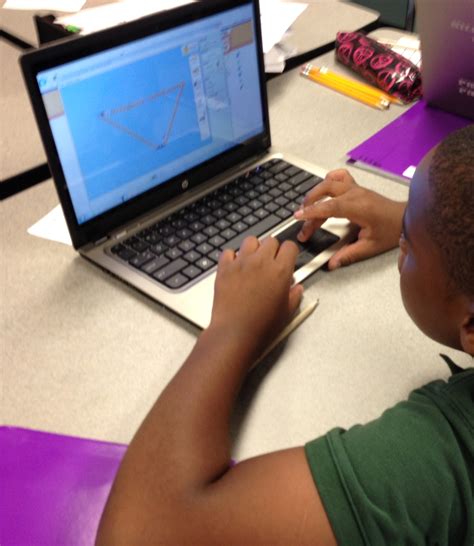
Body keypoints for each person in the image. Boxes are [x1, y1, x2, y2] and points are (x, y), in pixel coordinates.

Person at [96, 125, 473, 545]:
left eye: (408, 242)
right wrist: (416, 215)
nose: (401, 237)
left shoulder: (440, 456)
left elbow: (140, 533)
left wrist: (230, 329)